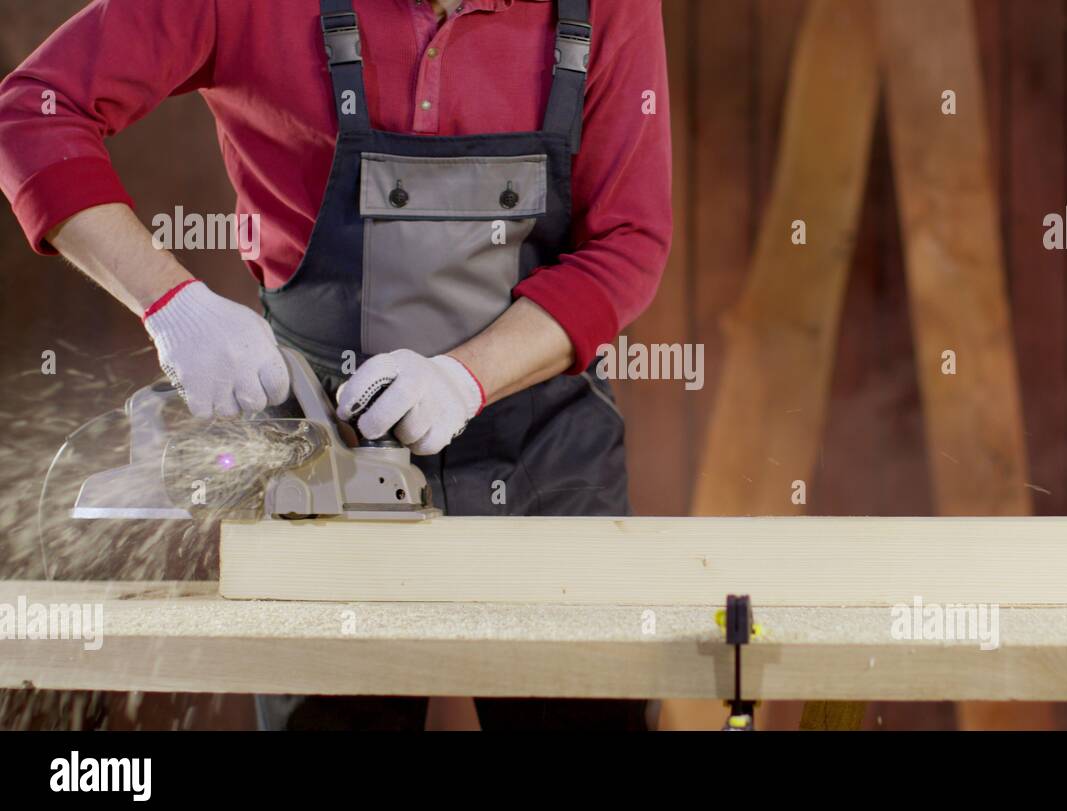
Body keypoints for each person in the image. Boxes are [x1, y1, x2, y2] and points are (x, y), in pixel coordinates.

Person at [0, 0, 671, 730]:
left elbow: (628, 239)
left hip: (542, 458)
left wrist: (463, 377)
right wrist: (173, 305)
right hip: (319, 471)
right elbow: (32, 115)